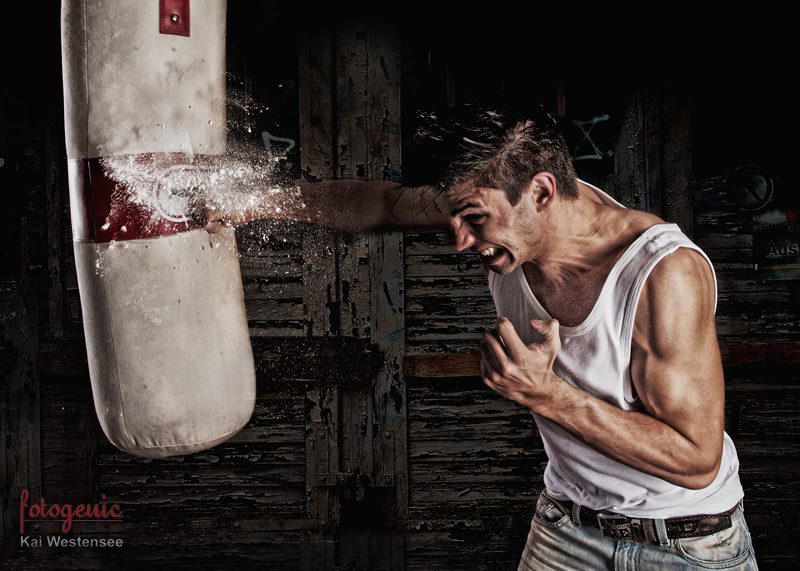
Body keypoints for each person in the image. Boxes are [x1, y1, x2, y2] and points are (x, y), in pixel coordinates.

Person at [200, 111, 758, 570]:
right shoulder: (503, 202)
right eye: (452, 217)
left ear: (541, 191)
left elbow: (695, 459)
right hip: (568, 526)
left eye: (473, 219)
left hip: (683, 543)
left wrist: (548, 395)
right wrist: (247, 205)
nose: (459, 241)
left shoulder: (662, 274)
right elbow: (383, 204)